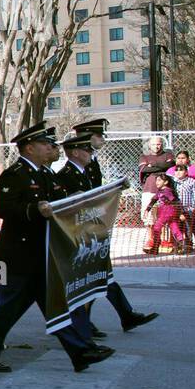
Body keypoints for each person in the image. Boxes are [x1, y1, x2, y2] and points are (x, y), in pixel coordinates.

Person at [0, 122, 112, 374]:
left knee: (52, 306)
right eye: (46, 144)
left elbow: (61, 203)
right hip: (17, 255)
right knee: (8, 307)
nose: (51, 148)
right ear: (29, 147)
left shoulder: (46, 174)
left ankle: (80, 351)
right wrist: (35, 209)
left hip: (41, 254)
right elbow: (2, 209)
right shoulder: (15, 174)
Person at [65, 118, 159, 336]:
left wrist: (115, 188)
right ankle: (89, 323)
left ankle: (121, 316)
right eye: (98, 136)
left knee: (101, 276)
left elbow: (94, 193)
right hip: (81, 231)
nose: (102, 139)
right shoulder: (74, 169)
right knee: (93, 277)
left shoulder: (92, 162)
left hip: (93, 228)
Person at [143, 169, 187, 255]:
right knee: (174, 227)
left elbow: (175, 201)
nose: (156, 182)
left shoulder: (167, 191)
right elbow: (154, 200)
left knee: (156, 228)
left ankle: (155, 248)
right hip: (169, 212)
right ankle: (182, 245)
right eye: (156, 180)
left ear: (166, 182)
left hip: (167, 211)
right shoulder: (160, 191)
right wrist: (147, 210)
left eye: (159, 180)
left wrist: (182, 213)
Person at [138, 136, 175, 227]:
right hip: (149, 189)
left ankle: (164, 240)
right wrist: (162, 166)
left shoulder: (168, 155)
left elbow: (170, 165)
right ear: (150, 146)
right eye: (153, 144)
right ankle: (151, 239)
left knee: (166, 215)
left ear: (162, 145)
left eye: (158, 144)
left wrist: (153, 165)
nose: (156, 146)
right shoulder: (144, 157)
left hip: (166, 190)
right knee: (149, 217)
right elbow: (144, 169)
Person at [171, 163, 195, 254]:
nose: (178, 172)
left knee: (188, 227)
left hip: (188, 209)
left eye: (181, 170)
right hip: (176, 209)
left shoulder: (191, 181)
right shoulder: (173, 182)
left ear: (186, 172)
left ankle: (188, 245)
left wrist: (192, 208)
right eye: (176, 170)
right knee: (177, 227)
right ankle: (177, 245)